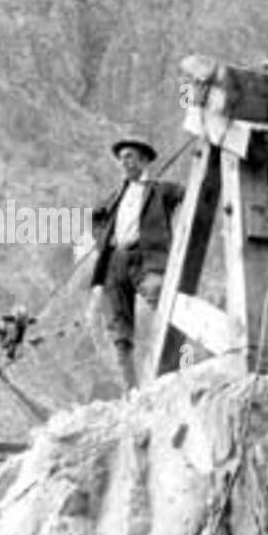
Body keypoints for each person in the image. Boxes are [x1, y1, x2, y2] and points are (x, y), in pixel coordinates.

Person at [91, 133, 184, 391]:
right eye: (121, 158)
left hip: (147, 260)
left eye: (130, 157)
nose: (124, 162)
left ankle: (175, 376)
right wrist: (103, 242)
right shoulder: (114, 196)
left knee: (166, 307)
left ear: (144, 160)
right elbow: (97, 218)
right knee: (119, 330)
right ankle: (130, 391)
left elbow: (190, 195)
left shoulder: (161, 191)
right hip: (115, 263)